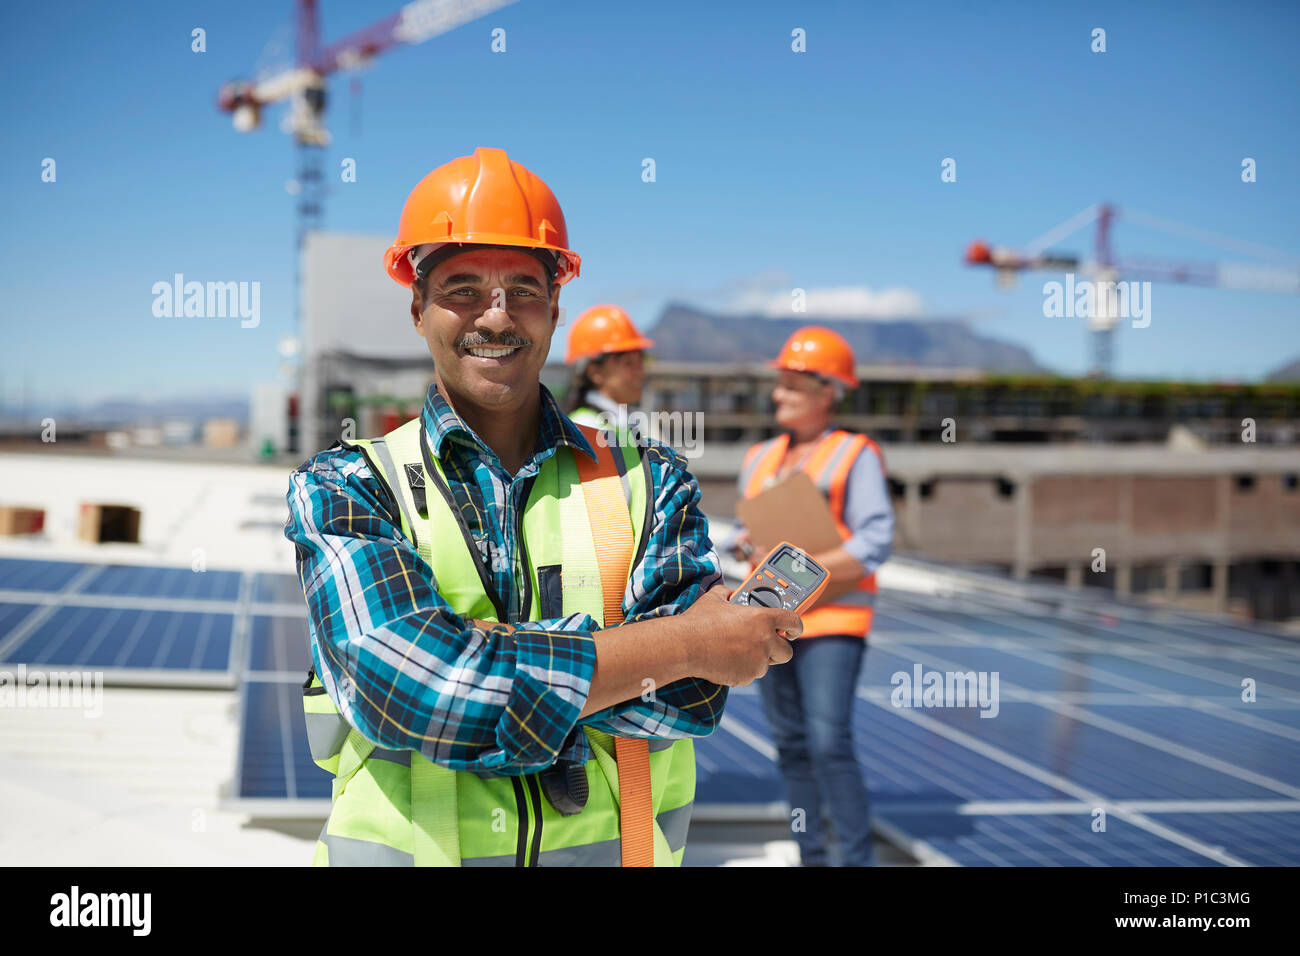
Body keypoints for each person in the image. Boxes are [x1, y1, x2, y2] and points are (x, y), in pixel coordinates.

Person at [283, 147, 800, 867]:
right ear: (417, 307)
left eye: (523, 289)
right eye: (462, 288)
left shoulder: (651, 478)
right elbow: (412, 688)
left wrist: (484, 658)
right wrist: (683, 642)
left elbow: (689, 700)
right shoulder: (348, 484)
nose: (496, 316)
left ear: (555, 307)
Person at [731, 326, 894, 867]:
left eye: (793, 387)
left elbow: (874, 539)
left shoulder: (855, 454)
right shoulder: (759, 458)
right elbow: (747, 531)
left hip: (835, 624)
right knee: (793, 748)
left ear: (829, 391)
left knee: (828, 744)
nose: (779, 396)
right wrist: (746, 543)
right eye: (779, 385)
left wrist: (809, 572)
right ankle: (812, 858)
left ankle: (855, 858)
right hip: (772, 624)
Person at [564, 304, 654, 429]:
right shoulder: (587, 427)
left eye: (640, 362)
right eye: (628, 363)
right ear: (595, 372)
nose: (640, 372)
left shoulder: (623, 423)